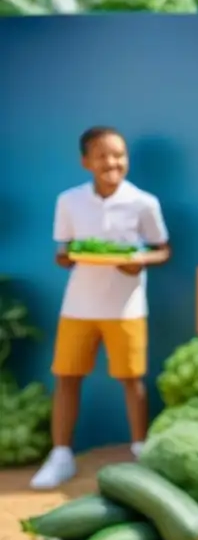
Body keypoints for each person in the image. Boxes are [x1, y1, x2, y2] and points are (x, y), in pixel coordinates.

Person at [30, 126, 171, 490]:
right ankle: (61, 454)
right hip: (78, 306)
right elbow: (63, 253)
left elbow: (162, 248)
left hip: (127, 307)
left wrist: (138, 260)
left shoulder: (144, 202)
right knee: (67, 376)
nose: (113, 162)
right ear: (86, 161)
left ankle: (141, 449)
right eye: (103, 155)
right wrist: (71, 257)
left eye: (119, 154)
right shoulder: (69, 201)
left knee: (131, 379)